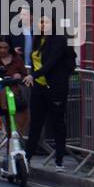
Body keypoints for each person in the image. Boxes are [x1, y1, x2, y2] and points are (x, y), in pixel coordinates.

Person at [24, 14, 76, 169]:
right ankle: (27, 158)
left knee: (57, 124)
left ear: (53, 24)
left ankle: (59, 160)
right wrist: (33, 76)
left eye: (46, 22)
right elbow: (35, 62)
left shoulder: (59, 40)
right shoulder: (37, 40)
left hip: (55, 88)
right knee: (35, 125)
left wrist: (33, 75)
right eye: (40, 22)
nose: (43, 24)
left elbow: (51, 62)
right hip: (39, 88)